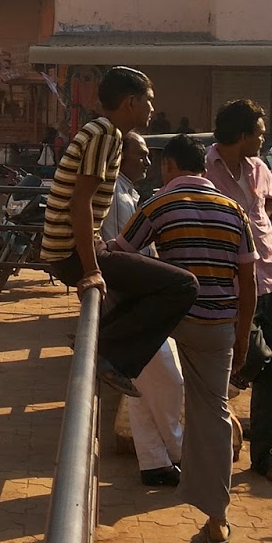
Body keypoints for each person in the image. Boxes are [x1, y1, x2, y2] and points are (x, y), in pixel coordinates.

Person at [117, 135, 256, 543]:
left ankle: (112, 364)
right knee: (212, 412)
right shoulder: (235, 212)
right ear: (205, 168)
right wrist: (242, 338)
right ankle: (217, 517)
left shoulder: (157, 205)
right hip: (217, 324)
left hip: (166, 321)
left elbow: (121, 253)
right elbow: (246, 283)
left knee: (141, 382)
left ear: (169, 167)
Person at [39, 66, 199, 398]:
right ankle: (110, 354)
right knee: (184, 285)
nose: (153, 108)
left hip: (75, 249)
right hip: (70, 254)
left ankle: (104, 343)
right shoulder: (106, 135)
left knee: (150, 283)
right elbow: (80, 202)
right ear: (130, 102)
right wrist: (93, 269)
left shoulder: (102, 132)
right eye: (149, 101)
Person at [206, 99, 272, 487]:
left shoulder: (259, 168)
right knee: (229, 366)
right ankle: (209, 450)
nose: (263, 139)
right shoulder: (204, 168)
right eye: (259, 133)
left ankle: (265, 454)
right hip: (227, 286)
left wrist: (260, 234)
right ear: (242, 136)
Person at [101, 132, 184, 487]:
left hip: (130, 298)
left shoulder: (127, 194)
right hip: (134, 301)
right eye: (142, 155)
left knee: (141, 382)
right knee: (169, 379)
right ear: (121, 158)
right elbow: (124, 252)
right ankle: (182, 451)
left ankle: (154, 462)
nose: (147, 162)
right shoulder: (119, 197)